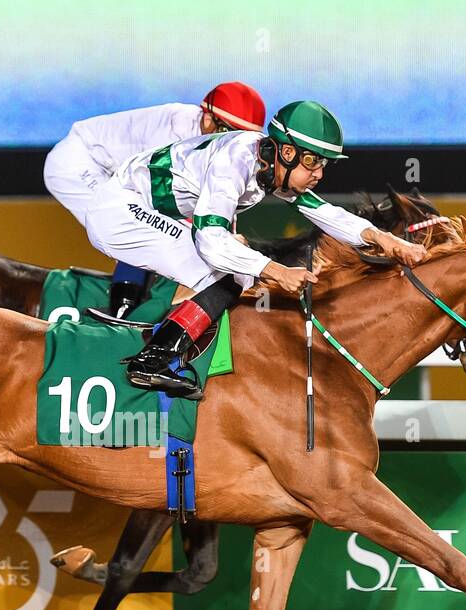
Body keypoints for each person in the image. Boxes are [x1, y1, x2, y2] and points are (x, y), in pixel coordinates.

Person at [79, 99, 426, 398]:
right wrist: (275, 270)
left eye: (324, 164)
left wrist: (382, 239)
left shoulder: (267, 163)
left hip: (137, 208)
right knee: (228, 272)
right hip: (119, 212)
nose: (319, 173)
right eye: (313, 162)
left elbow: (323, 211)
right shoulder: (235, 161)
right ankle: (152, 358)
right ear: (287, 152)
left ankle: (163, 349)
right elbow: (210, 239)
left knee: (237, 275)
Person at [43, 82, 267, 317]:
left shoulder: (211, 138)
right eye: (228, 132)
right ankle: (122, 311)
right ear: (208, 118)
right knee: (137, 224)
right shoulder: (175, 132)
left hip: (113, 171)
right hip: (78, 164)